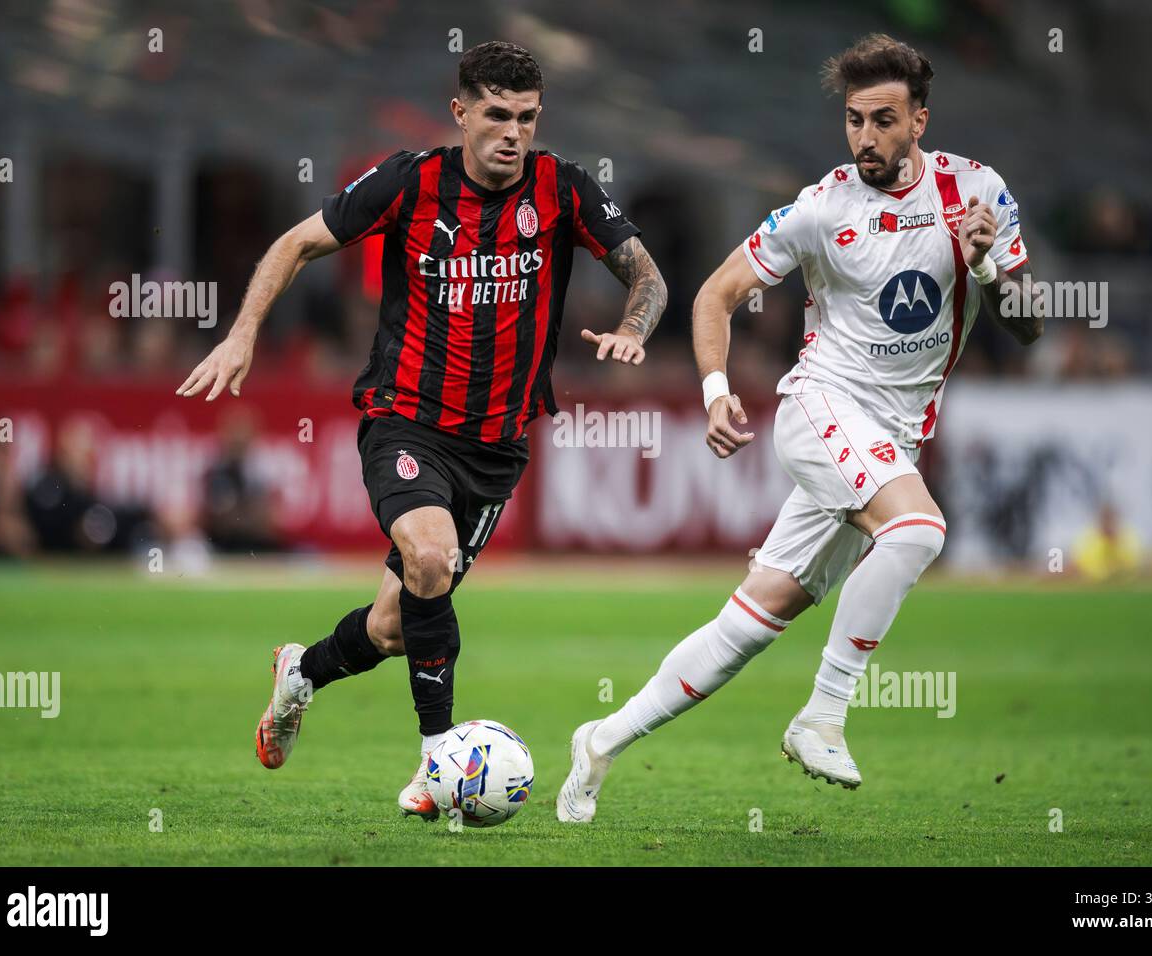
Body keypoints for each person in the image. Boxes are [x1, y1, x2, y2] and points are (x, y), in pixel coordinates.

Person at [558, 33, 1043, 822]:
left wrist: (987, 269)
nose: (865, 139)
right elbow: (714, 294)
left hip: (891, 440)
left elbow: (1030, 329)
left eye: (884, 120)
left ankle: (602, 740)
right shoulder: (823, 208)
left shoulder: (977, 192)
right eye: (854, 120)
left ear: (920, 119)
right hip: (821, 409)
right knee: (918, 532)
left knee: (751, 622)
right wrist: (716, 391)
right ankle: (823, 713)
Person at [176, 41, 667, 820]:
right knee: (430, 557)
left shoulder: (564, 189)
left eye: (528, 119)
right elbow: (295, 242)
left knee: (396, 623)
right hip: (405, 422)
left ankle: (300, 673)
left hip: (497, 447)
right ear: (461, 112)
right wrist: (242, 335)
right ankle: (439, 755)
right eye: (498, 115)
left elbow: (647, 274)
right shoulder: (410, 182)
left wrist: (635, 327)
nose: (513, 133)